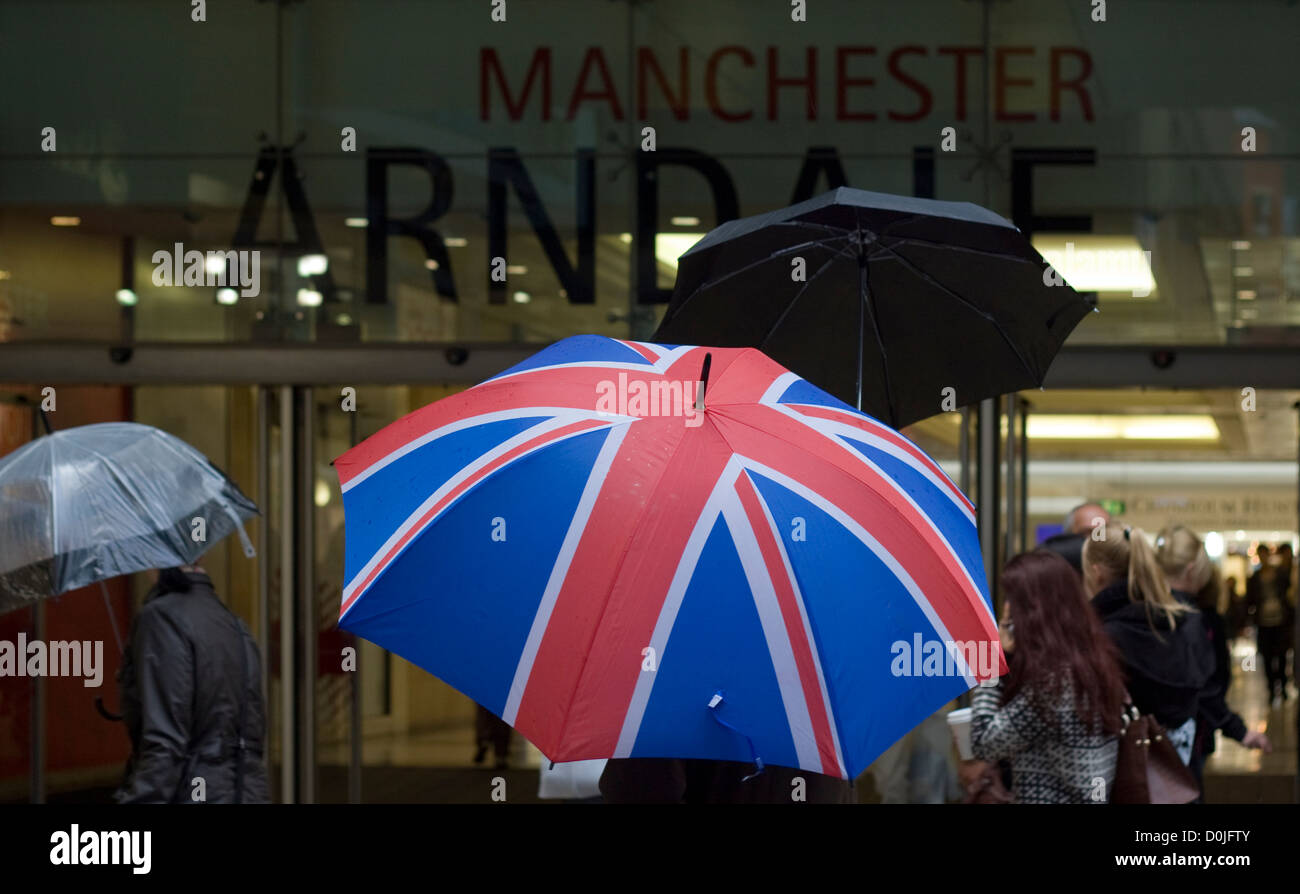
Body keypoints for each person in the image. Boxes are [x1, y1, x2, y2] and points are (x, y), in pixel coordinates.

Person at [965, 551, 1126, 803]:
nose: (1006, 608)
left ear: (1032, 610)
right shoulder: (1090, 659)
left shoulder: (1053, 686)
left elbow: (983, 742)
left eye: (1011, 599)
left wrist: (994, 663)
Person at [116, 564, 269, 803]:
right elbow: (253, 732)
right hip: (243, 792)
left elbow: (165, 743)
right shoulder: (234, 623)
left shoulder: (160, 618)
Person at [1083, 526, 1214, 766]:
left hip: (1116, 775)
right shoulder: (1180, 623)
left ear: (1096, 572)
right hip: (1175, 774)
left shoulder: (1099, 636)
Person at [1155, 526, 1271, 787]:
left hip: (1148, 739)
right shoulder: (1195, 621)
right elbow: (1204, 686)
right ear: (1193, 569)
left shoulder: (1140, 613)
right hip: (1188, 735)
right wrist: (1237, 729)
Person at [1040, 501, 1112, 575]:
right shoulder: (1053, 569)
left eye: (1102, 532)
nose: (1096, 539)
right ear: (1068, 536)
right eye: (1087, 533)